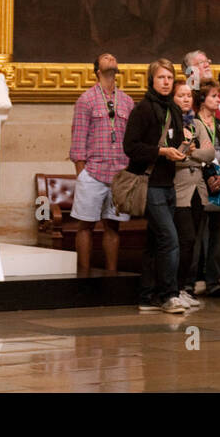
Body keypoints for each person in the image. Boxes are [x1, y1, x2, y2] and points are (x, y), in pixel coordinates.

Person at [123, 58, 189, 314]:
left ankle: (146, 295)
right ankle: (169, 295)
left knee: (155, 242)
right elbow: (131, 147)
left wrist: (185, 149)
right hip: (149, 183)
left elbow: (178, 139)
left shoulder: (173, 109)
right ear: (152, 80)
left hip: (168, 183)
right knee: (170, 239)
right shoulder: (143, 109)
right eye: (161, 78)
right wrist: (161, 152)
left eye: (170, 78)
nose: (165, 82)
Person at [67, 52, 135, 274]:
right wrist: (81, 173)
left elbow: (130, 138)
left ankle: (111, 275)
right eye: (106, 57)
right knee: (85, 225)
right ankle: (84, 274)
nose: (111, 58)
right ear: (97, 69)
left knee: (113, 226)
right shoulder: (86, 99)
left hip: (118, 174)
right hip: (93, 172)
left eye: (114, 57)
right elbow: (78, 139)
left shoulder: (127, 101)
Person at [192, 79, 220, 298]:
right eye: (214, 96)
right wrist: (208, 176)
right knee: (197, 234)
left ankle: (214, 281)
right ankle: (192, 280)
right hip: (200, 183)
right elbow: (192, 152)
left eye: (219, 96)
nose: (219, 100)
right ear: (202, 99)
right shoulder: (193, 123)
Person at [170, 81, 207, 308]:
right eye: (180, 95)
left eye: (188, 95)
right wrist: (192, 155)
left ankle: (183, 287)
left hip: (198, 190)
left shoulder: (197, 124)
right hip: (178, 189)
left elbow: (210, 153)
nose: (186, 99)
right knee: (184, 239)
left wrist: (193, 153)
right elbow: (175, 156)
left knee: (193, 242)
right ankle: (172, 287)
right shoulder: (170, 123)